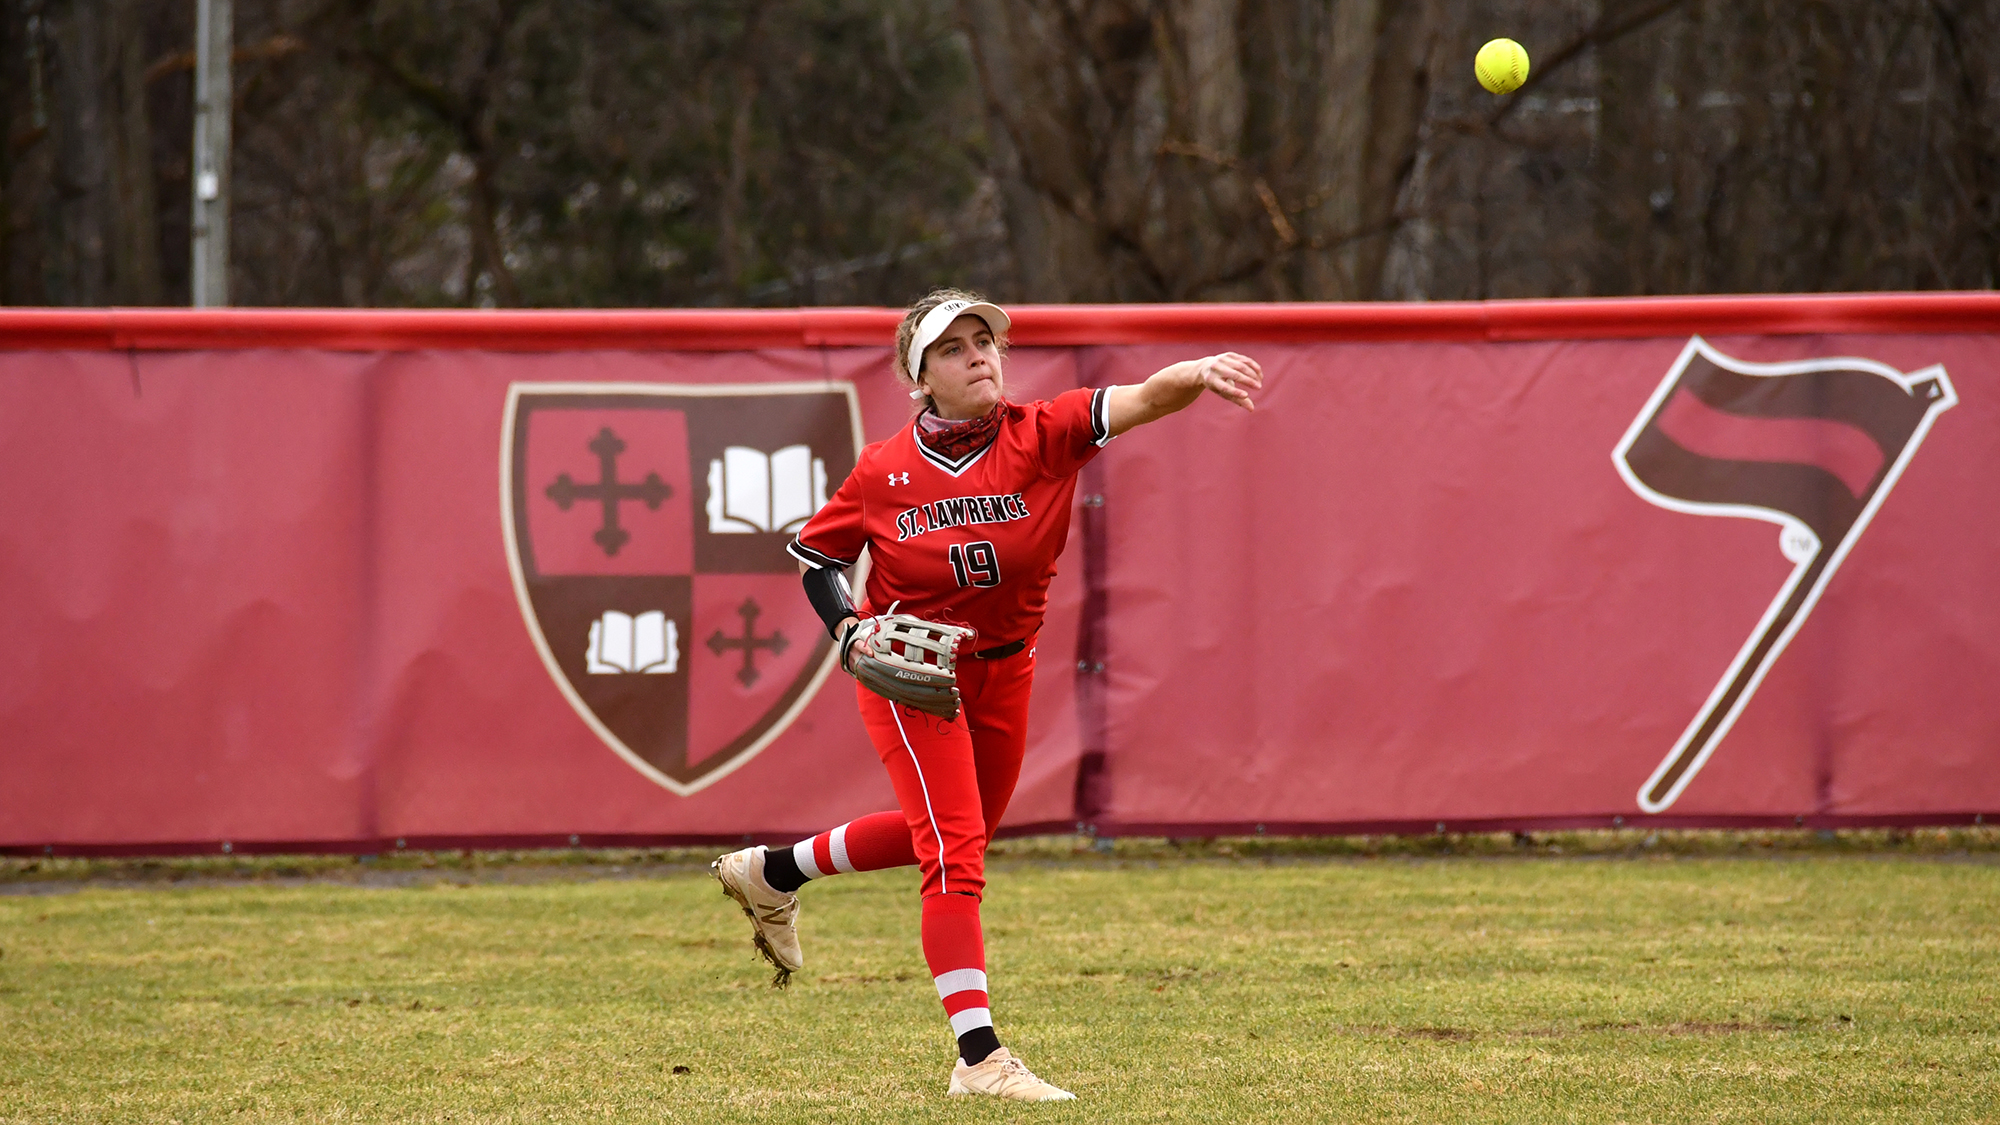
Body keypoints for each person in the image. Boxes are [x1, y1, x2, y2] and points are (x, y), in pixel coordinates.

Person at [711, 288, 1261, 1102]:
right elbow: (817, 558)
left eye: (985, 341)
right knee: (956, 853)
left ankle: (774, 870)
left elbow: (1144, 398)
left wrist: (1196, 370)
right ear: (920, 373)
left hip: (1007, 667)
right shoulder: (884, 467)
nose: (980, 356)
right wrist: (849, 629)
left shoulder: (1045, 433)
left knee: (946, 832)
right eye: (956, 347)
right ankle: (979, 1056)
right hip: (912, 673)